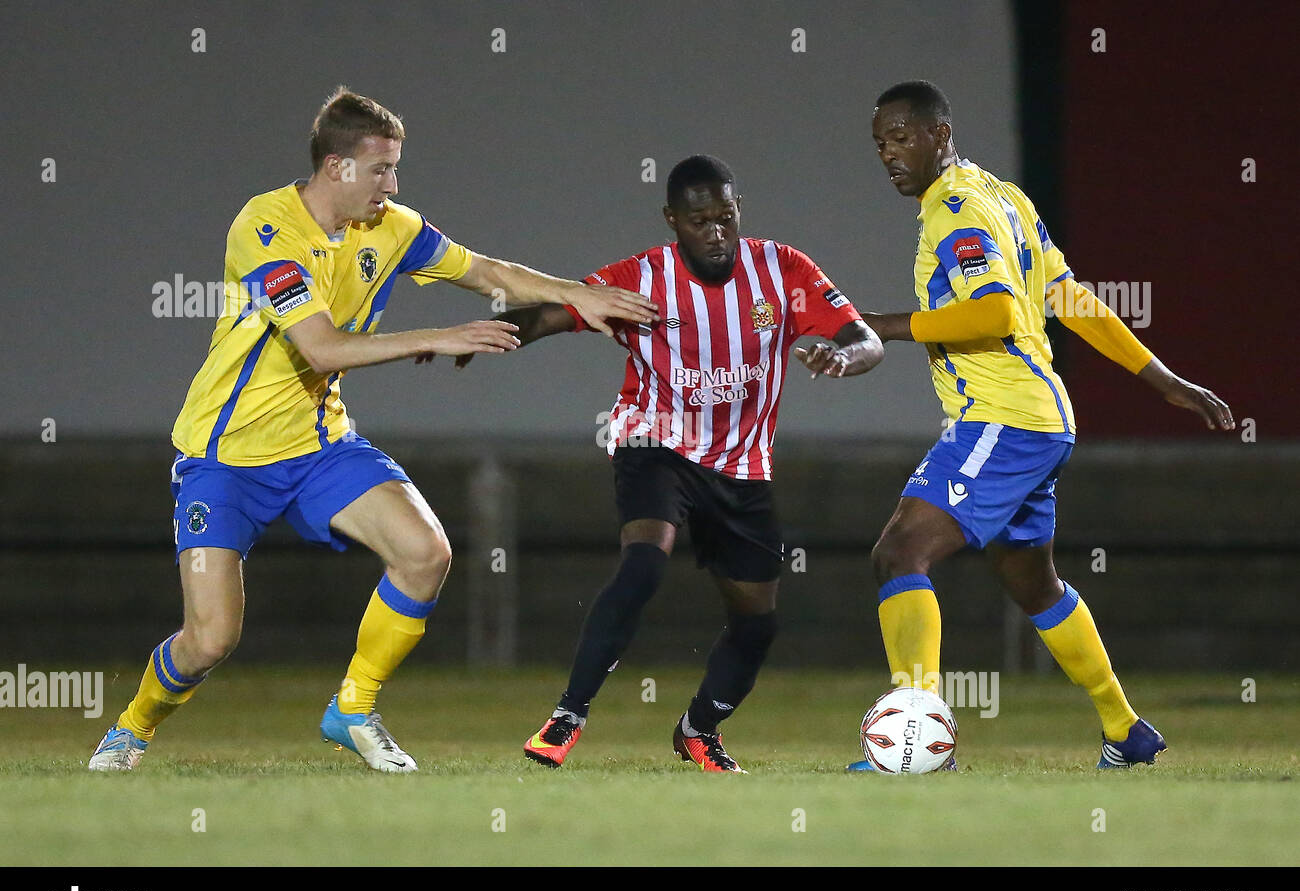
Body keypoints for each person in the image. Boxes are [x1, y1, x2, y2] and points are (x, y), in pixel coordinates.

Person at [88, 86, 656, 773]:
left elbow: (486, 271)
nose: (392, 185)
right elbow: (320, 348)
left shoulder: (391, 228)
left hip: (321, 447)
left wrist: (578, 293)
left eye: (396, 169)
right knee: (209, 640)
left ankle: (352, 708)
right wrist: (441, 335)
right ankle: (132, 727)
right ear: (336, 168)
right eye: (380, 168)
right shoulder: (266, 229)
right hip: (223, 457)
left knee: (425, 553)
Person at [835, 81, 1234, 771]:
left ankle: (916, 735)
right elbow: (1070, 299)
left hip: (1002, 417)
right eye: (879, 144)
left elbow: (990, 313)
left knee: (900, 552)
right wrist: (1162, 379)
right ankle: (1125, 729)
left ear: (939, 133)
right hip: (1042, 421)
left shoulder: (954, 211)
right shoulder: (1007, 197)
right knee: (1032, 583)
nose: (889, 155)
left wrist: (886, 326)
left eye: (901, 138)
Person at [459, 154, 883, 772]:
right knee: (643, 564)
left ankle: (698, 729)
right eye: (699, 219)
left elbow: (862, 337)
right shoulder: (642, 281)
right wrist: (489, 334)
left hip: (741, 466)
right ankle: (568, 714)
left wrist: (846, 359)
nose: (715, 231)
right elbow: (557, 313)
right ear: (672, 221)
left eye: (725, 216)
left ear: (738, 210)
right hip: (654, 441)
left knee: (756, 624)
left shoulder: (782, 269)